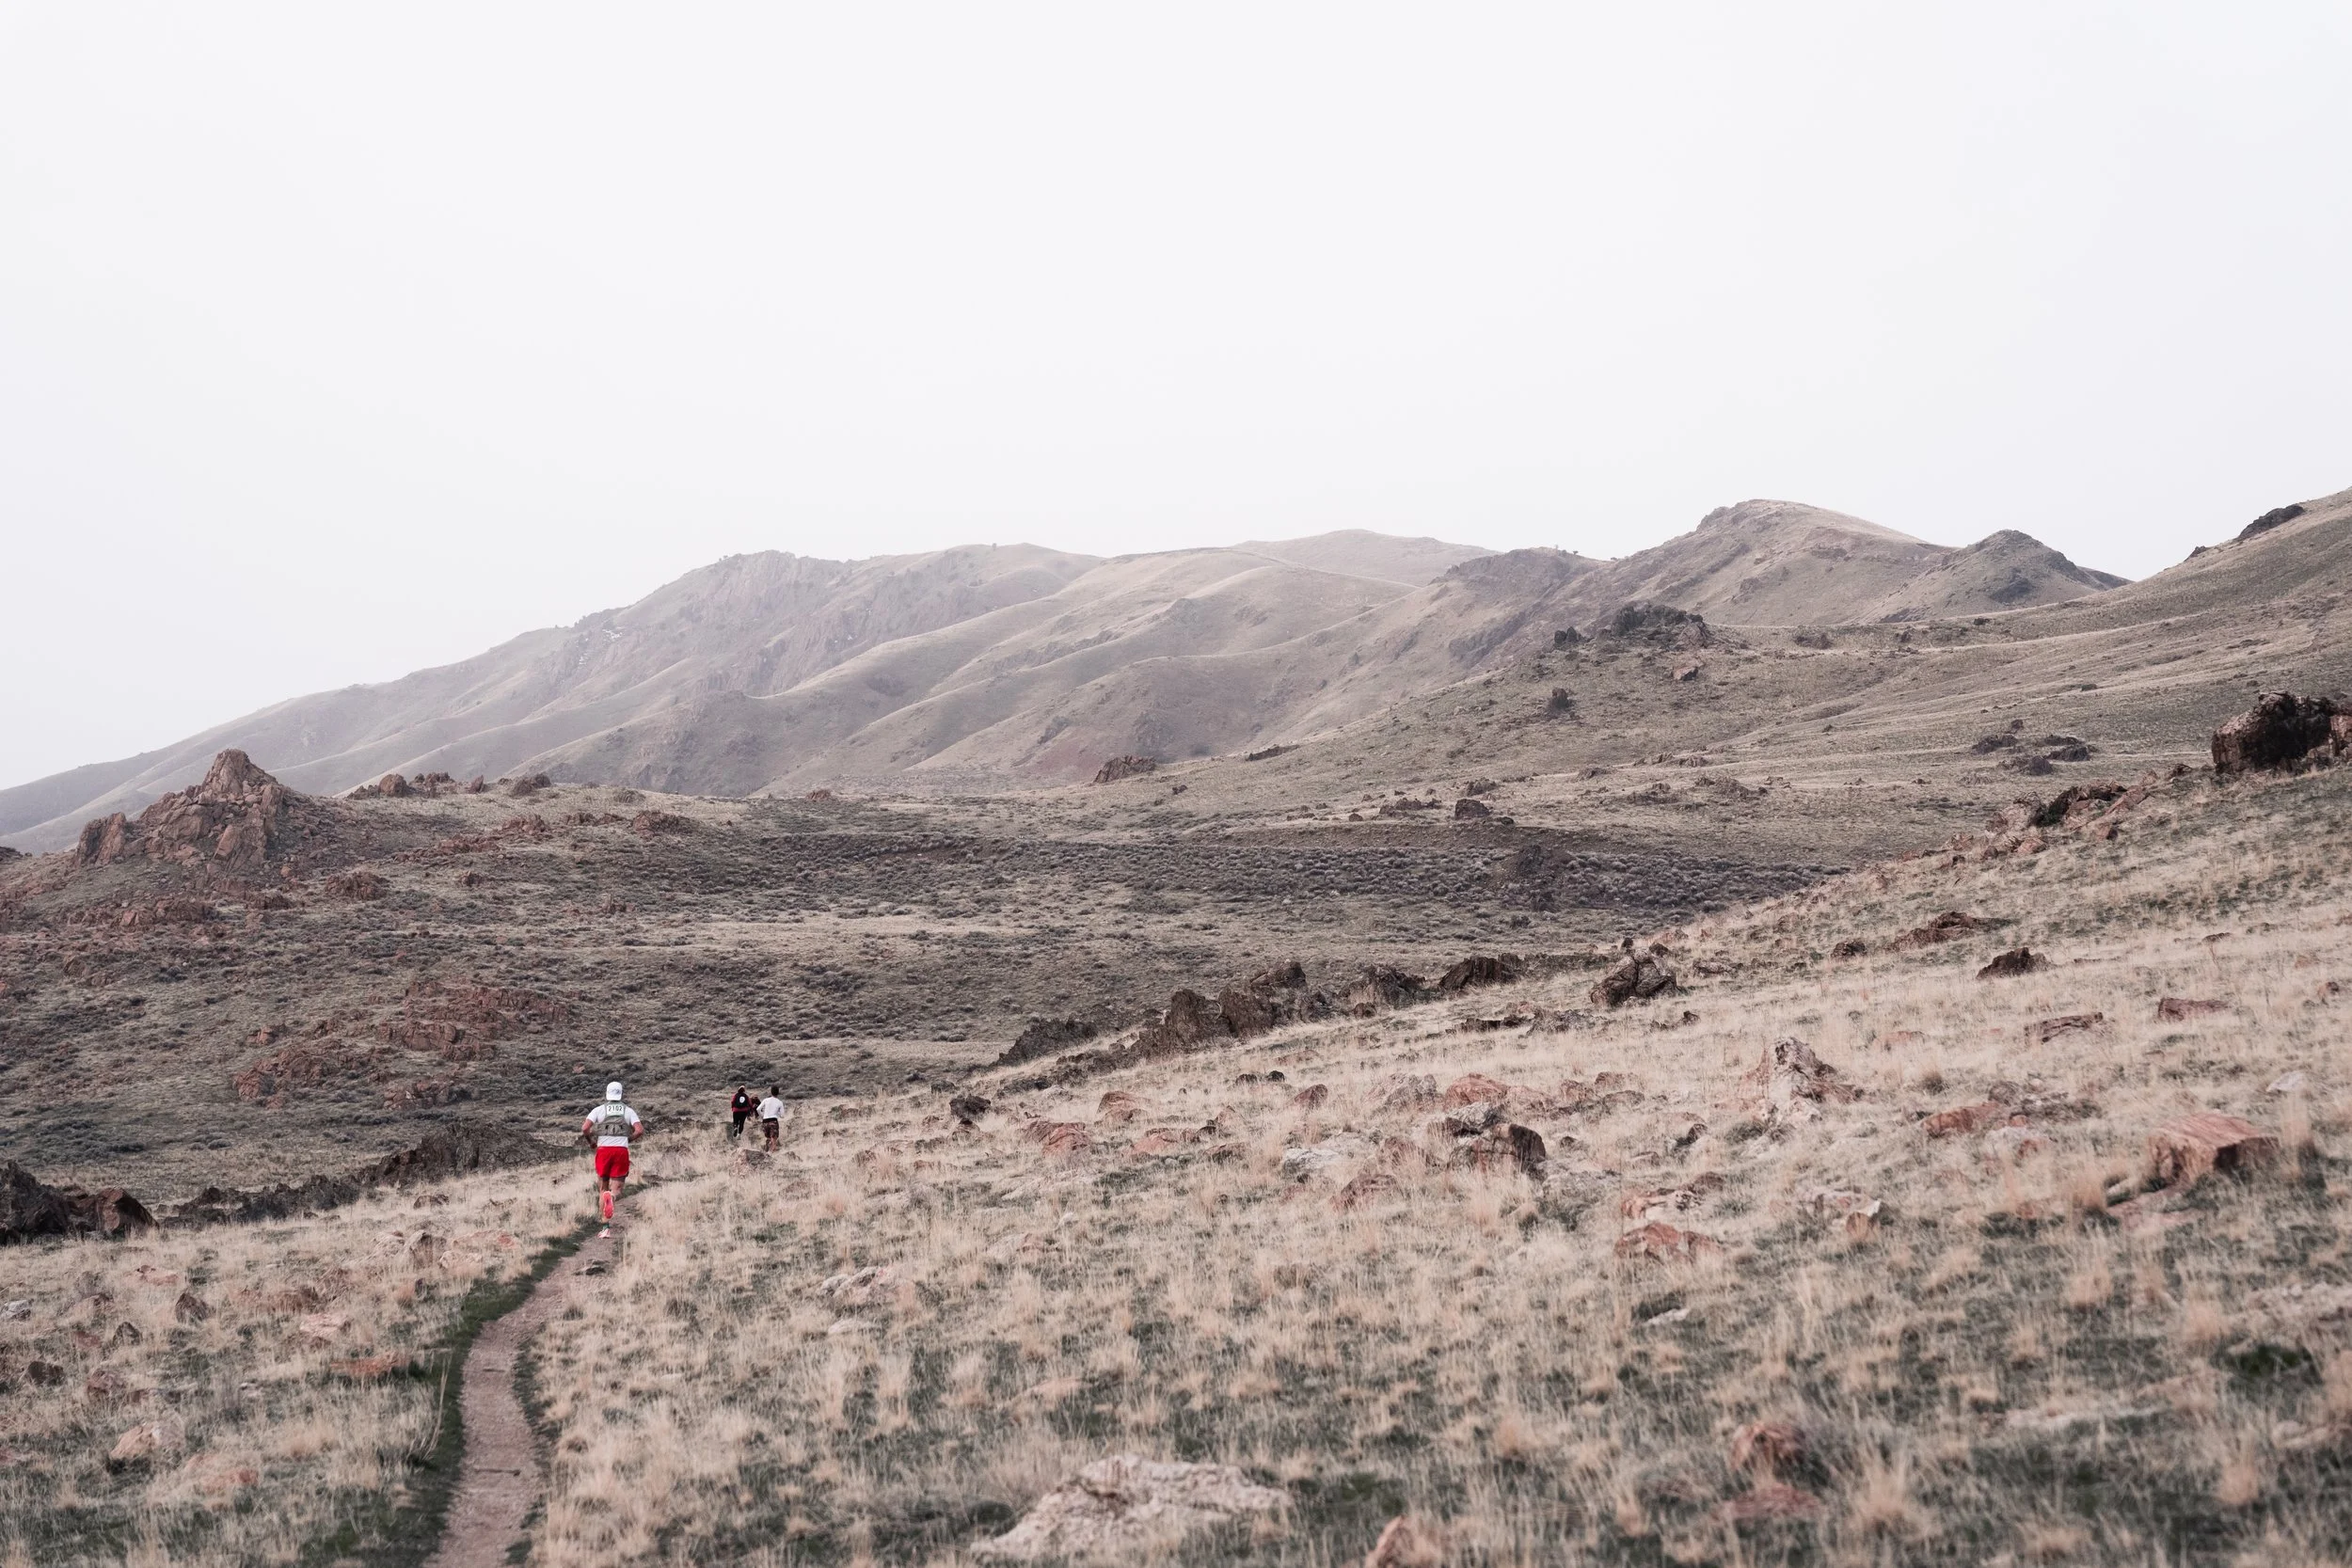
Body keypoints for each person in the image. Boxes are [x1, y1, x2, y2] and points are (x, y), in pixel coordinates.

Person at [580, 1081, 645, 1236]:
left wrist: (591, 1142)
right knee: (616, 1190)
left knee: (602, 1189)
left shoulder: (598, 1110)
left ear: (607, 1093)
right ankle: (612, 1197)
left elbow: (585, 1128)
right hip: (620, 1152)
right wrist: (628, 1139)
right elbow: (639, 1130)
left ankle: (605, 1229)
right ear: (621, 1094)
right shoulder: (628, 1111)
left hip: (603, 1151)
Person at [756, 1085, 785, 1152]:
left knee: (768, 1137)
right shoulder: (780, 1102)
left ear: (771, 1092)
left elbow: (758, 1109)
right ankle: (772, 1153)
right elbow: (782, 1115)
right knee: (773, 1138)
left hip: (765, 1121)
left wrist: (762, 1116)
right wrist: (777, 1113)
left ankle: (767, 1151)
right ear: (778, 1093)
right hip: (773, 1121)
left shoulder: (766, 1100)